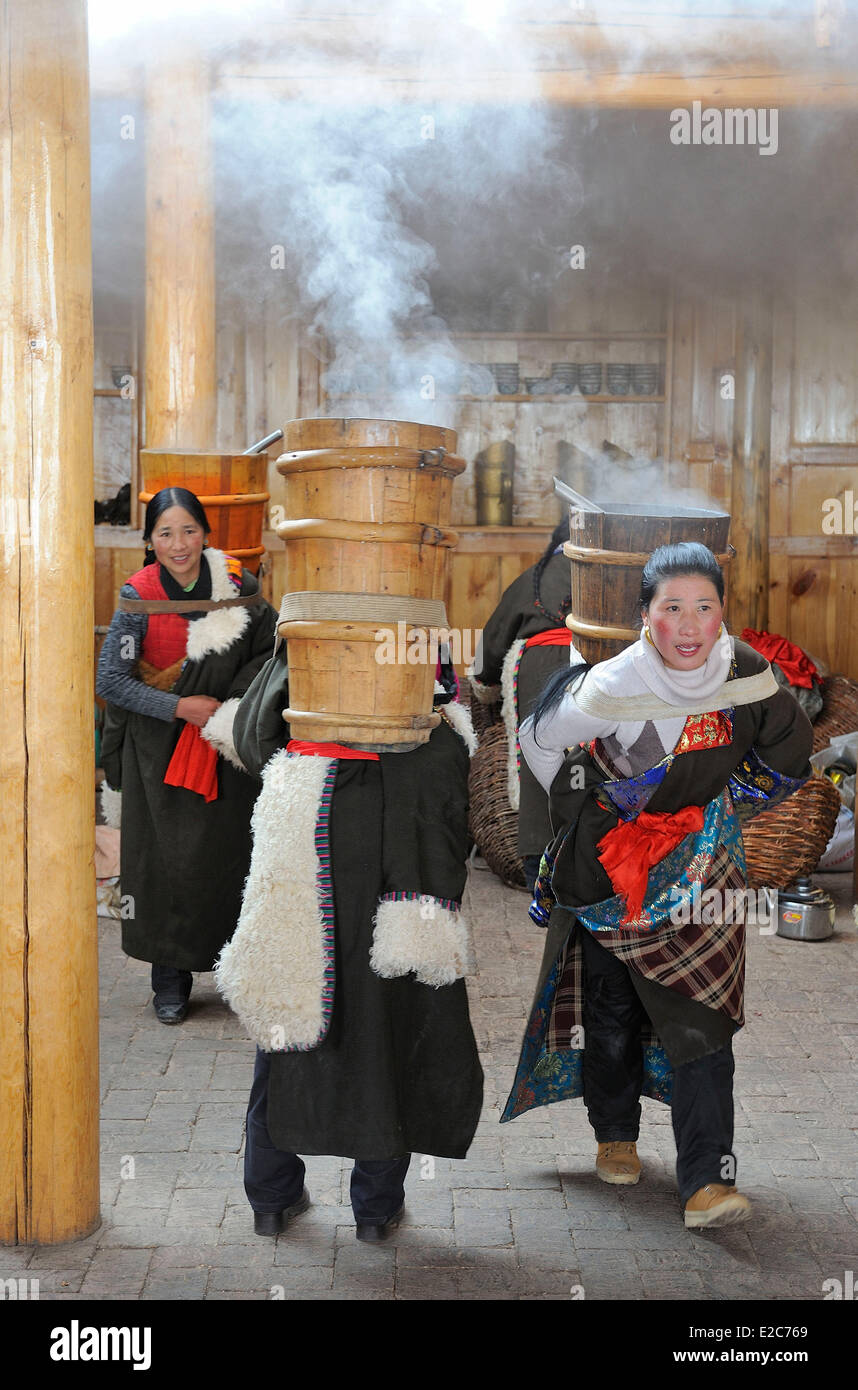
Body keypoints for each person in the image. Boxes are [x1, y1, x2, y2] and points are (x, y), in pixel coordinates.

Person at [502, 541, 813, 1229]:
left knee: (706, 1020)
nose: (692, 624)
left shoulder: (749, 677)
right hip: (611, 871)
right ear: (647, 616)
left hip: (704, 866)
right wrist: (591, 805)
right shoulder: (611, 687)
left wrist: (718, 802)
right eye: (672, 608)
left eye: (705, 606)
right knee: (610, 1018)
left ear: (723, 612)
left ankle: (706, 1183)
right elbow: (538, 740)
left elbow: (790, 752)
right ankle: (614, 1130)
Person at [214, 637, 484, 1241]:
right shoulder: (414, 626)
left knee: (291, 994)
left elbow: (255, 735)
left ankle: (272, 1195)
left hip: (310, 816)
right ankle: (376, 1206)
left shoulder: (311, 627)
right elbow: (451, 724)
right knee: (389, 1012)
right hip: (404, 829)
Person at [96, 487, 278, 1023]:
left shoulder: (239, 588)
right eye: (166, 533)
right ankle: (169, 982)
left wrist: (225, 707)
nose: (179, 544)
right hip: (157, 752)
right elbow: (113, 680)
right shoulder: (139, 596)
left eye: (189, 531)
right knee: (164, 868)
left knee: (231, 860)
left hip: (226, 744)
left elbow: (270, 651)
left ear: (206, 533)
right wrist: (181, 707)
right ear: (149, 542)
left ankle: (234, 970)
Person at [470, 518, 573, 890]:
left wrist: (484, 687)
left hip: (538, 669)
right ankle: (597, 869)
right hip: (603, 667)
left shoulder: (534, 578)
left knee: (537, 760)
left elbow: (493, 642)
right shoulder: (618, 574)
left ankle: (538, 871)